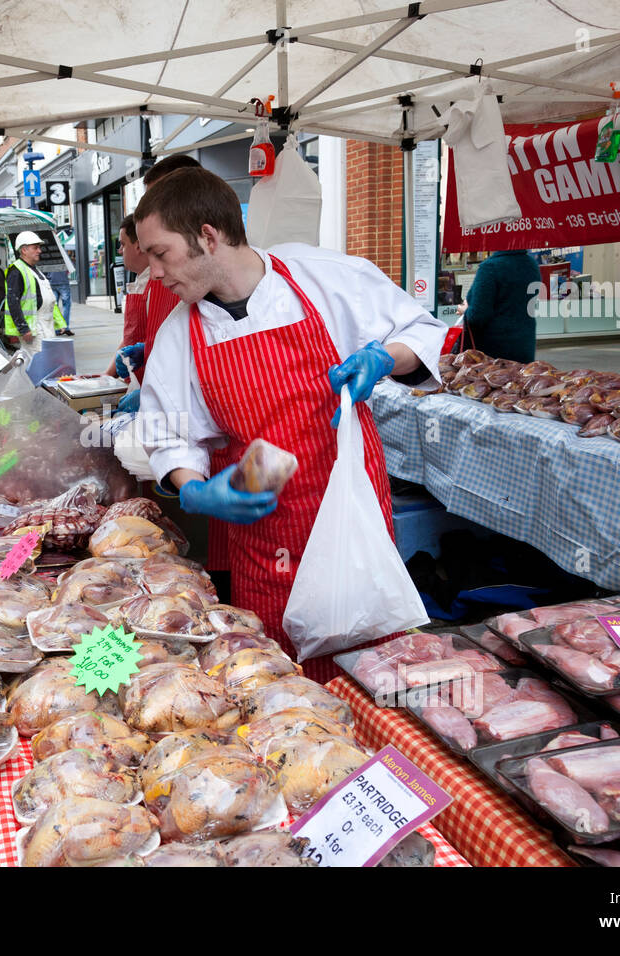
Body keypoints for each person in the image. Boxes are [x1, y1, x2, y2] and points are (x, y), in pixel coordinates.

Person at [134, 166, 446, 683]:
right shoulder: (178, 334)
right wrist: (194, 491)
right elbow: (169, 433)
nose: (154, 273)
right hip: (263, 531)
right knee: (274, 678)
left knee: (372, 664)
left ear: (207, 237)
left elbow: (424, 332)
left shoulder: (326, 276)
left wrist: (385, 358)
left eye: (160, 254)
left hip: (349, 508)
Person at [102, 154, 204, 413]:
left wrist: (163, 401)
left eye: (160, 253)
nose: (156, 273)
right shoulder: (164, 278)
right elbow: (182, 344)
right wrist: (147, 351)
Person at [458, 249, 541, 361]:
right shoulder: (531, 264)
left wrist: (465, 310)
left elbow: (478, 316)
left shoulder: (490, 267)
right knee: (522, 377)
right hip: (525, 344)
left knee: (496, 378)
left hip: (494, 350)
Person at [105, 215, 149, 414]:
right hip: (136, 380)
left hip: (152, 385)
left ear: (138, 245)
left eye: (123, 244)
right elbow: (129, 336)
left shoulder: (161, 284)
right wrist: (107, 375)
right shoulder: (140, 281)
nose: (120, 251)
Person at [5, 230, 66, 355]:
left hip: (45, 325)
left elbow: (49, 300)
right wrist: (23, 329)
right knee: (39, 363)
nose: (40, 251)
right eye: (35, 248)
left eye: (39, 247)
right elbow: (12, 301)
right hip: (34, 327)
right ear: (24, 250)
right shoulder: (16, 270)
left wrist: (59, 322)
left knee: (44, 361)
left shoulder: (35, 270)